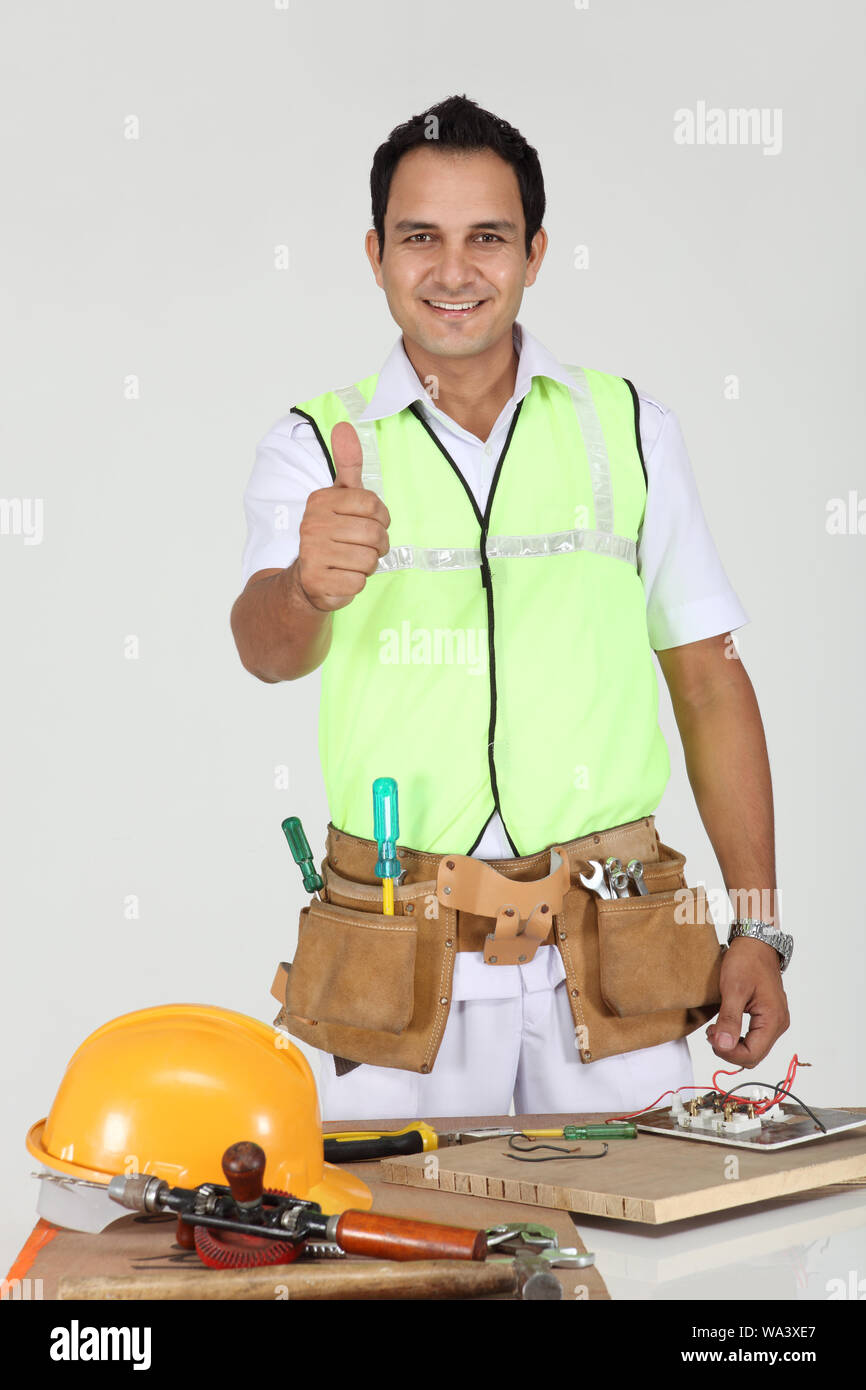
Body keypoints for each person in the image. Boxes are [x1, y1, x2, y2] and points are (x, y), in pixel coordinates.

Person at [231, 94, 790, 1121]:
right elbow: (266, 649)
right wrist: (305, 587)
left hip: (619, 950)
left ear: (534, 251)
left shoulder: (628, 430)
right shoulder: (316, 444)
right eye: (419, 238)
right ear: (374, 253)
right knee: (409, 1263)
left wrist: (757, 922)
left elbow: (708, 680)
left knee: (652, 1268)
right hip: (397, 961)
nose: (452, 271)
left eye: (485, 237)